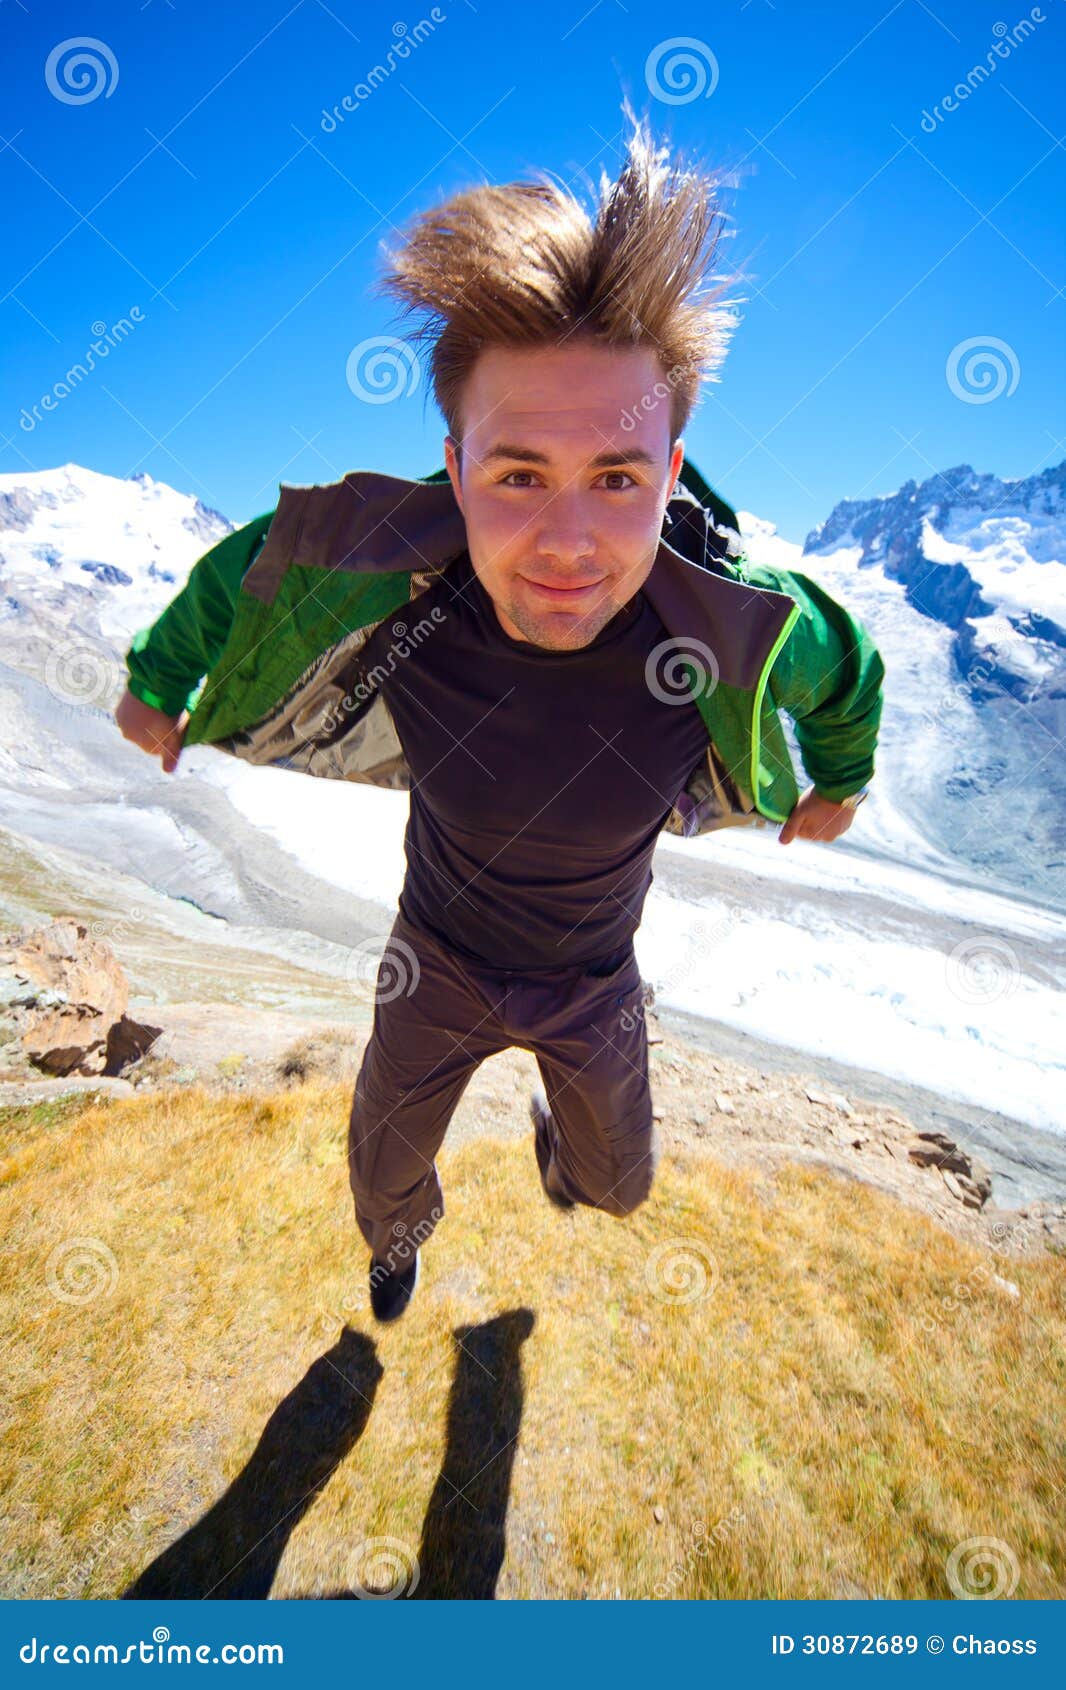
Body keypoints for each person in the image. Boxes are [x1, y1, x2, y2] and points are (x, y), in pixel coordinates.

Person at [116, 108, 885, 1323]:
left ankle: (559, 1147)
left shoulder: (732, 626)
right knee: (380, 1167)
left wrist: (837, 779)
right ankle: (397, 1241)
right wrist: (159, 681)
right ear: (457, 464)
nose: (568, 543)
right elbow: (252, 568)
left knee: (620, 1188)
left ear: (671, 472)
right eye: (519, 472)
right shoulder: (397, 581)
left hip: (592, 977)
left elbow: (841, 665)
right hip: (438, 958)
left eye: (617, 479)